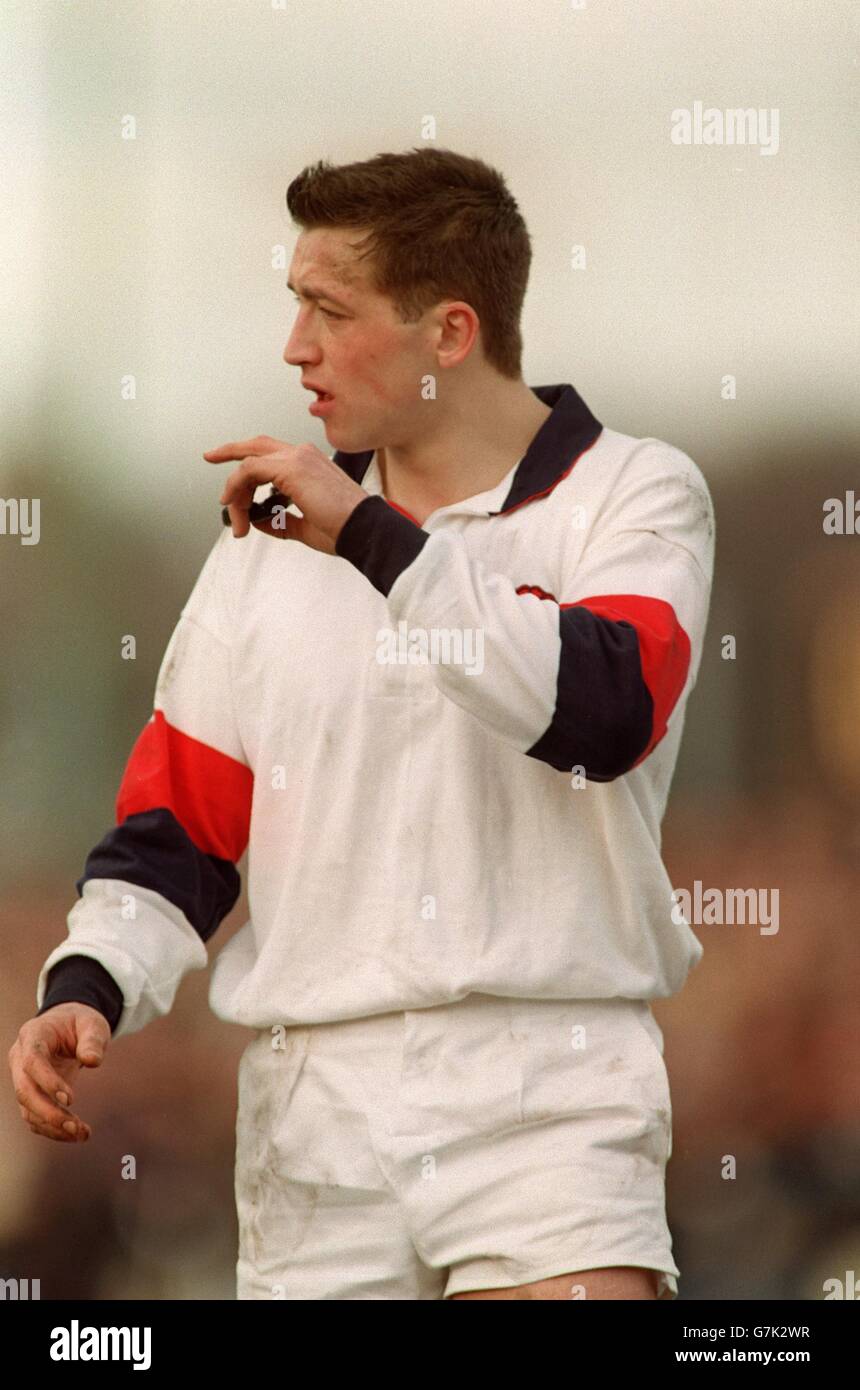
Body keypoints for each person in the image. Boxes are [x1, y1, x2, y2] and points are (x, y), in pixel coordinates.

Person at [9, 146, 715, 1300]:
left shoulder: (636, 494)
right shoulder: (257, 553)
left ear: (448, 333)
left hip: (553, 1093)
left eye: (328, 310)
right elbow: (177, 833)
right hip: (313, 1119)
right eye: (293, 305)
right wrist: (86, 982)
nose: (295, 346)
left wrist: (366, 537)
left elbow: (605, 706)